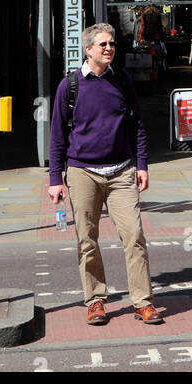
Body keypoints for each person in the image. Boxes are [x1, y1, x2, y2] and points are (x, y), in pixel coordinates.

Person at [48, 22, 164, 326]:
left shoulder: (123, 81)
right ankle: (96, 301)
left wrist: (142, 165)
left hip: (121, 171)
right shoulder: (69, 86)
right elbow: (57, 135)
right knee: (87, 239)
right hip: (82, 172)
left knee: (135, 236)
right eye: (103, 44)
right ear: (88, 49)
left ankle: (143, 302)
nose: (109, 48)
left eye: (111, 43)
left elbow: (137, 124)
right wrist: (54, 179)